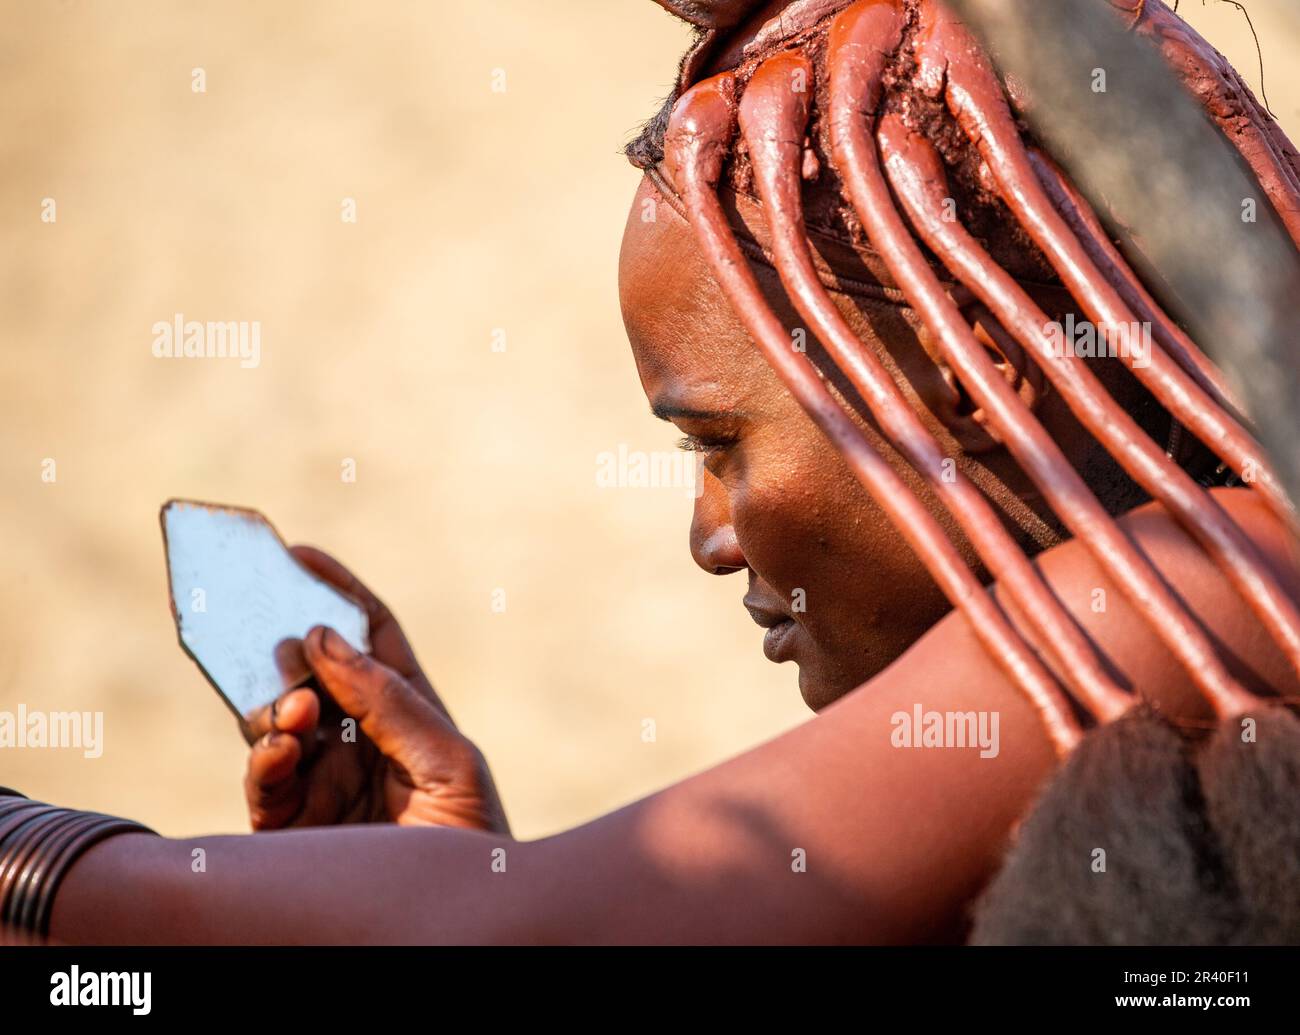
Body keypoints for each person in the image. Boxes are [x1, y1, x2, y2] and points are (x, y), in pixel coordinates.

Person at [5, 0, 1299, 945]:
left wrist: (34, 859)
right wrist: (463, 874)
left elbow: (523, 941)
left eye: (721, 446)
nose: (713, 539)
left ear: (976, 381)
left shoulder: (1209, 589)